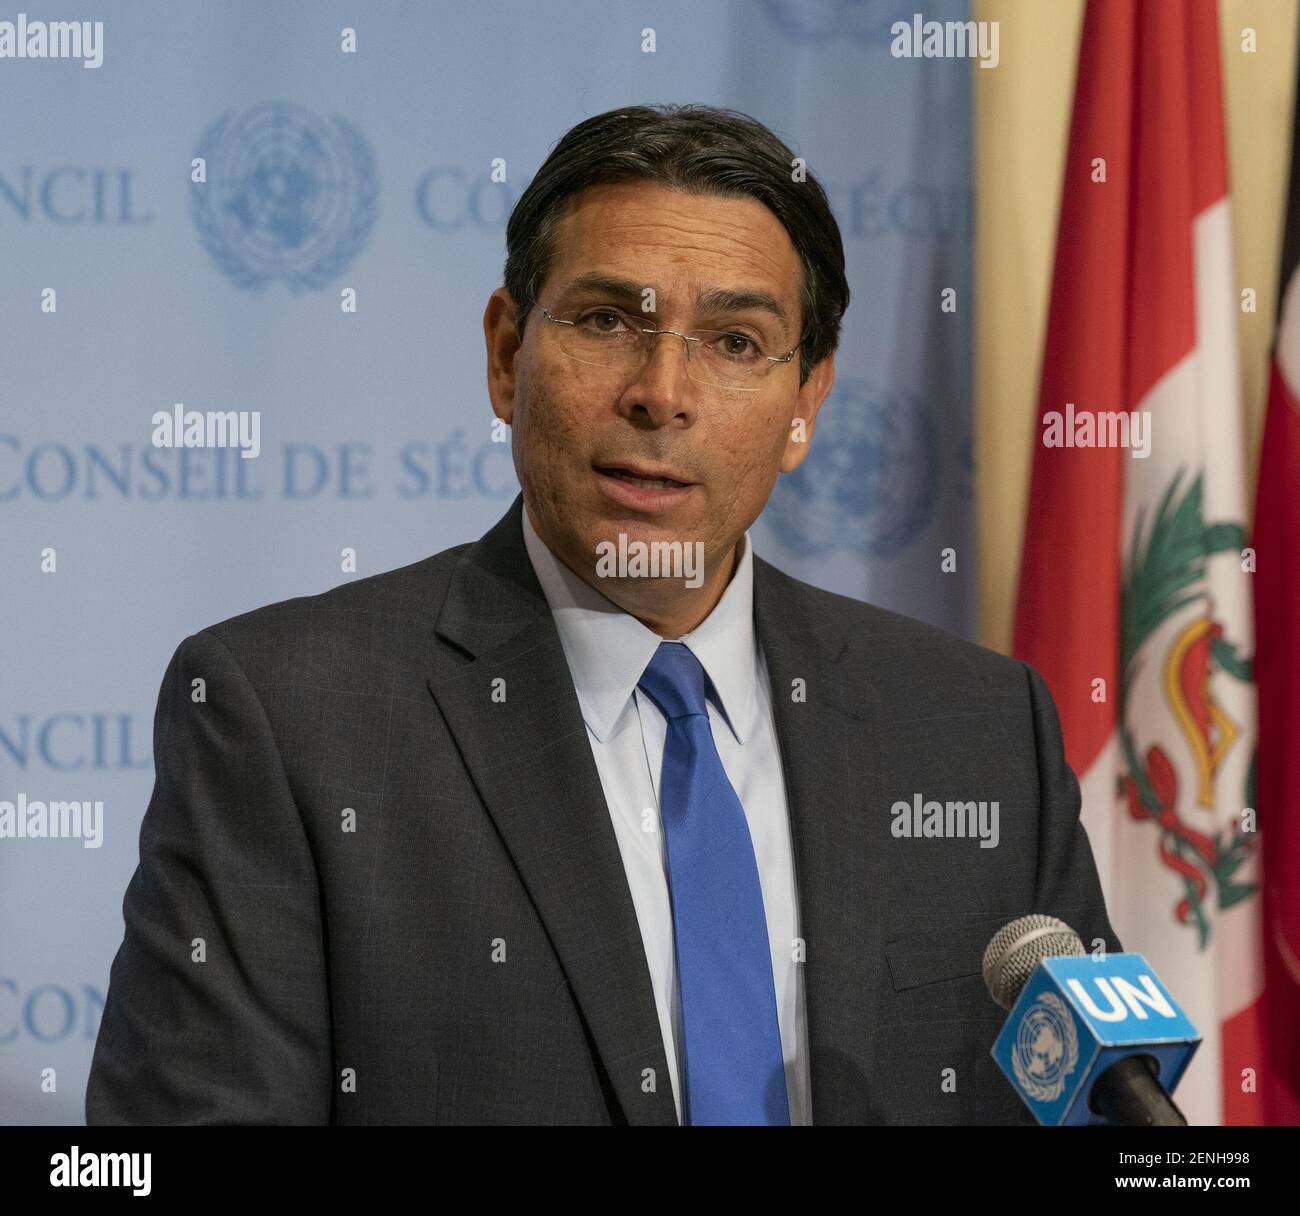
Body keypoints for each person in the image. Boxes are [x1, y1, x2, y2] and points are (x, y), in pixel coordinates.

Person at [86, 103, 1119, 1126]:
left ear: (807, 403)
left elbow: (1096, 1111)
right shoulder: (292, 718)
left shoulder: (978, 731)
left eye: (735, 340)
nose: (662, 392)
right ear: (505, 354)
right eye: (606, 320)